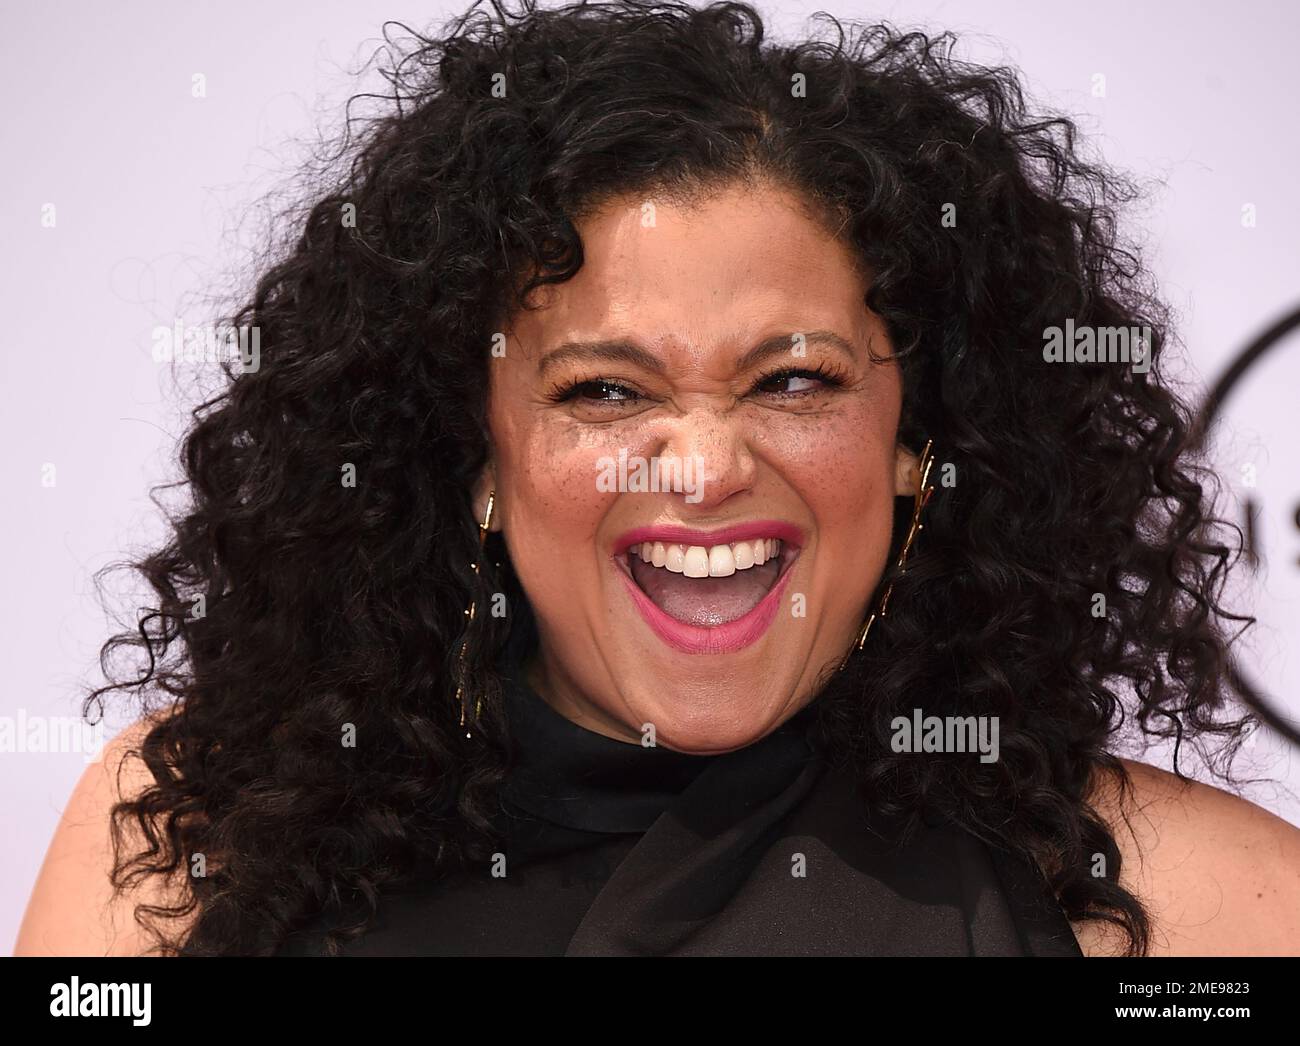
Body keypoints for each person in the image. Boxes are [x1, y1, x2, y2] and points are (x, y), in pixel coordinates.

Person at [16, 0, 1300, 957]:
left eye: (793, 381)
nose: (702, 466)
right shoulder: (184, 845)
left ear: (920, 444)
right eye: (605, 390)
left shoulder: (1195, 912)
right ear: (475, 457)